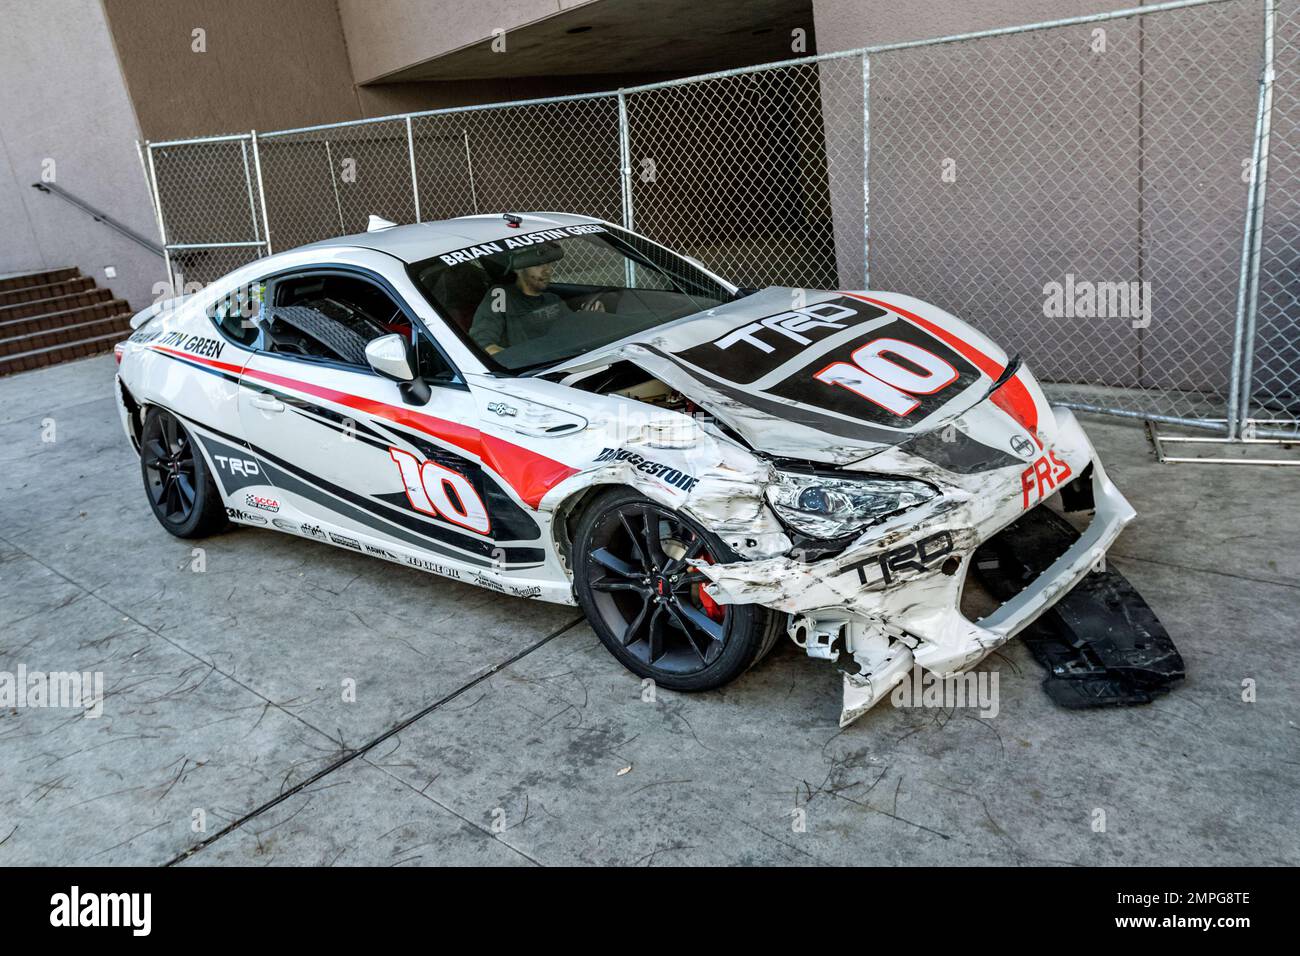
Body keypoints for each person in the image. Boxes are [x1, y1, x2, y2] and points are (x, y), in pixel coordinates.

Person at [468, 242, 602, 354]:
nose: (547, 270)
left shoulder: (552, 300)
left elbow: (571, 334)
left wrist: (589, 319)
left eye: (548, 264)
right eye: (538, 265)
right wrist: (514, 362)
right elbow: (483, 342)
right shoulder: (501, 295)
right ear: (519, 269)